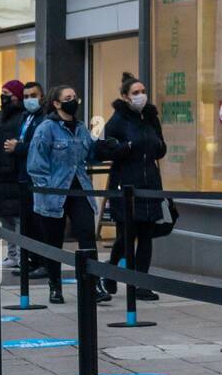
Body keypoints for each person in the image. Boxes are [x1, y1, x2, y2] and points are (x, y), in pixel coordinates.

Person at [27, 86, 111, 305]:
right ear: (56, 103)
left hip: (79, 189)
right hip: (54, 193)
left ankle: (92, 283)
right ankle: (55, 285)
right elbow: (36, 164)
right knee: (54, 241)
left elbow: (89, 155)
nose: (73, 101)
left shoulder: (82, 128)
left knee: (87, 234)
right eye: (67, 98)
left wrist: (104, 147)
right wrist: (45, 190)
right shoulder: (47, 128)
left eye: (75, 97)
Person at [97, 74, 167, 300]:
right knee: (128, 233)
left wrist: (159, 147)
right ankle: (110, 270)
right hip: (126, 182)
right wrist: (126, 146)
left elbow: (160, 146)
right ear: (125, 97)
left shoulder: (151, 116)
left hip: (150, 182)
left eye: (143, 91)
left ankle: (141, 285)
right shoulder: (118, 120)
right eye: (135, 93)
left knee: (146, 234)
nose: (141, 96)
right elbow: (105, 150)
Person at [0, 80, 27, 268]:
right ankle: (12, 254)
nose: (4, 96)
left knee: (18, 217)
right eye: (3, 92)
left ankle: (21, 254)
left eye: (8, 93)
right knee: (4, 216)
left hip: (14, 174)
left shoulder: (24, 117)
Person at [8, 82, 47, 278]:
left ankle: (44, 262)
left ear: (42, 96)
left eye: (33, 95)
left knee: (39, 223)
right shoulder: (25, 117)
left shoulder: (45, 119)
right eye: (25, 96)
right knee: (28, 222)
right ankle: (32, 259)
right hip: (23, 174)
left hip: (38, 177)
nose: (29, 99)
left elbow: (40, 146)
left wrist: (19, 147)